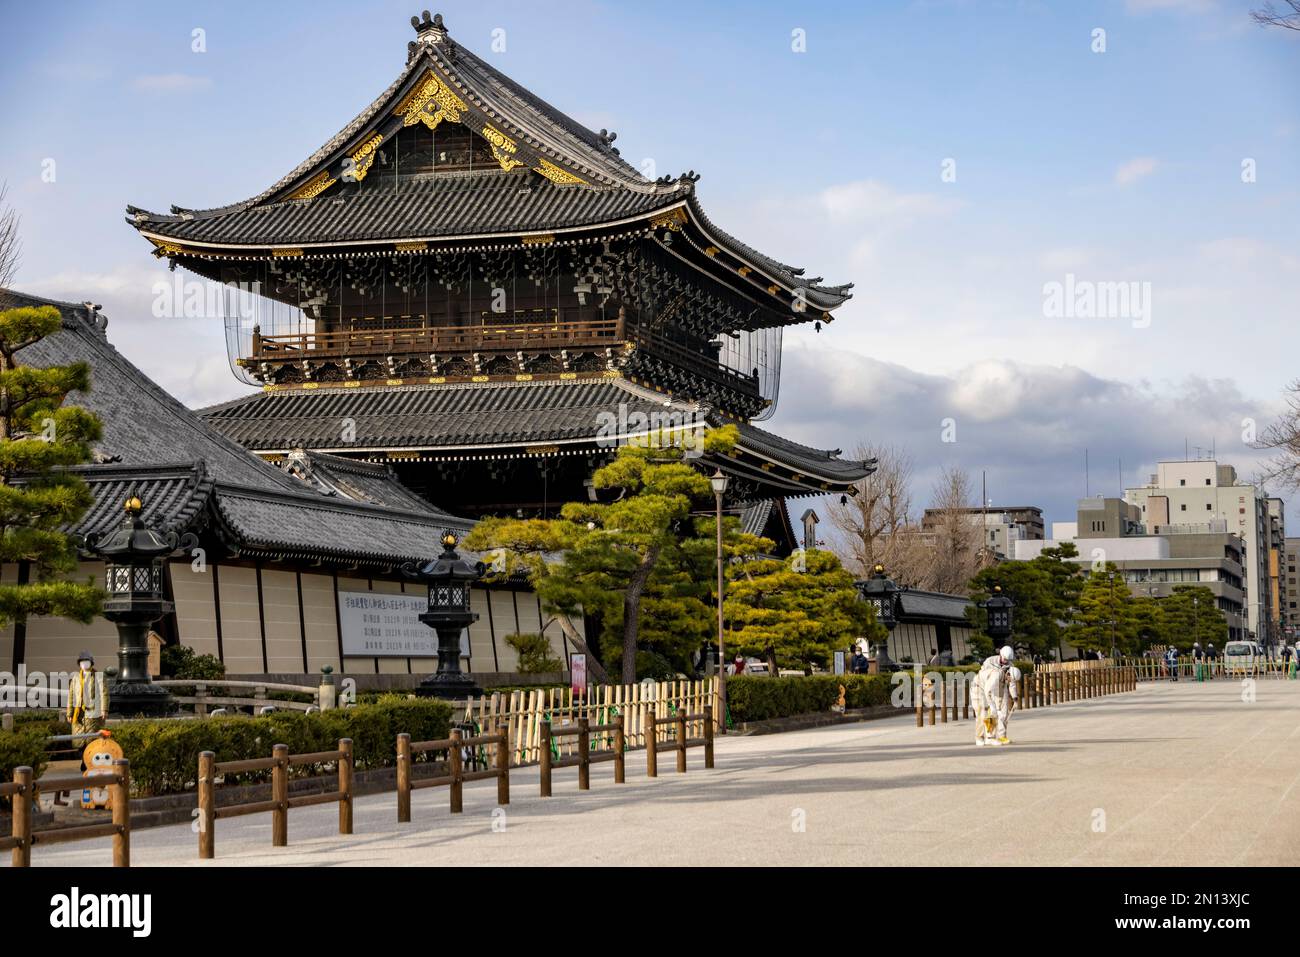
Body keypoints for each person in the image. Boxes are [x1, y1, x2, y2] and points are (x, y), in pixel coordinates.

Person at [66, 650, 109, 738]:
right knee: (78, 740)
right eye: (82, 662)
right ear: (79, 664)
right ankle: (79, 751)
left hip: (93, 713)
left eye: (87, 661)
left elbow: (104, 693)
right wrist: (69, 713)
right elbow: (71, 696)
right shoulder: (75, 678)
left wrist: (104, 709)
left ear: (91, 663)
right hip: (78, 714)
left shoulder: (99, 676)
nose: (84, 664)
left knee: (92, 739)